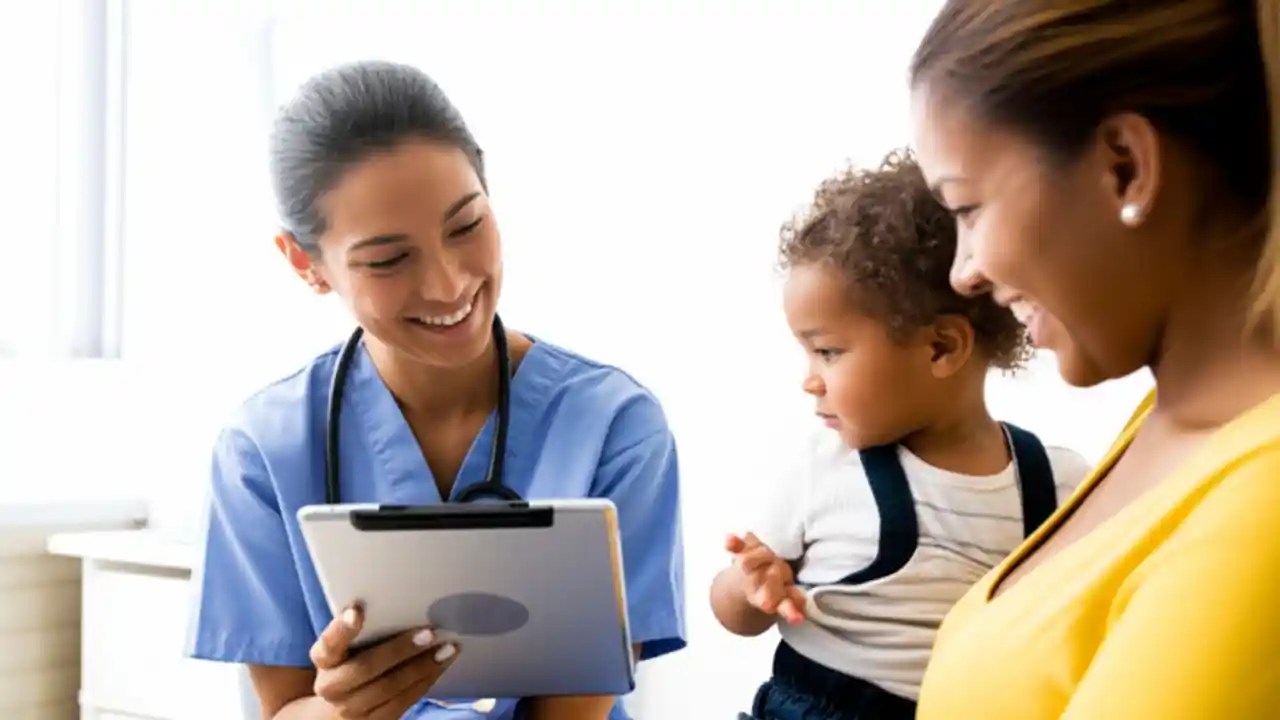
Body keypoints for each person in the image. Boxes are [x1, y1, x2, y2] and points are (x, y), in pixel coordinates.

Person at [184, 60, 685, 720]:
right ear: (306, 264)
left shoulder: (614, 426)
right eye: (389, 259)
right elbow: (283, 709)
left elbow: (572, 712)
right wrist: (341, 714)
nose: (449, 285)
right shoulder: (262, 450)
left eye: (466, 225)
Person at [907, 1, 1280, 718]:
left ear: (1125, 167)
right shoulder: (1175, 423)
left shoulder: (1261, 510)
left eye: (968, 208)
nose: (964, 271)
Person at [710, 150, 1092, 720]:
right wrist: (748, 587)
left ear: (941, 348)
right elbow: (737, 614)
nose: (810, 380)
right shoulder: (827, 469)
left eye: (829, 352)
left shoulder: (1063, 486)